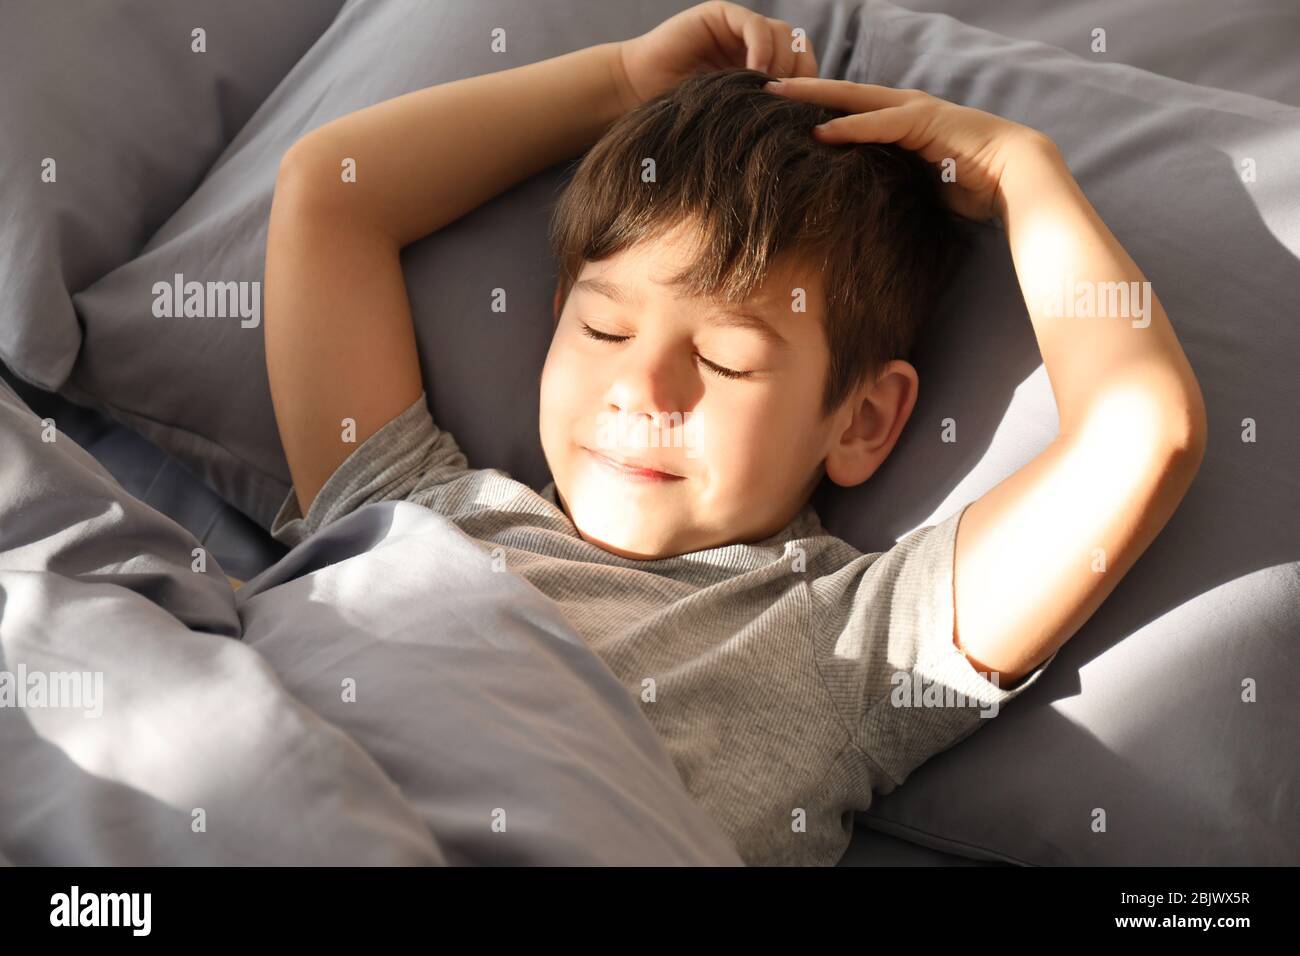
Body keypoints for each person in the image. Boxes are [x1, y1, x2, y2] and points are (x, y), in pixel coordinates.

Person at [262, 1, 1206, 865]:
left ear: (863, 421)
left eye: (726, 361)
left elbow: (1140, 433)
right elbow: (330, 191)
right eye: (604, 328)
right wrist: (619, 84)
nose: (643, 385)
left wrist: (1020, 172)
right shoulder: (408, 510)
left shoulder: (846, 646)